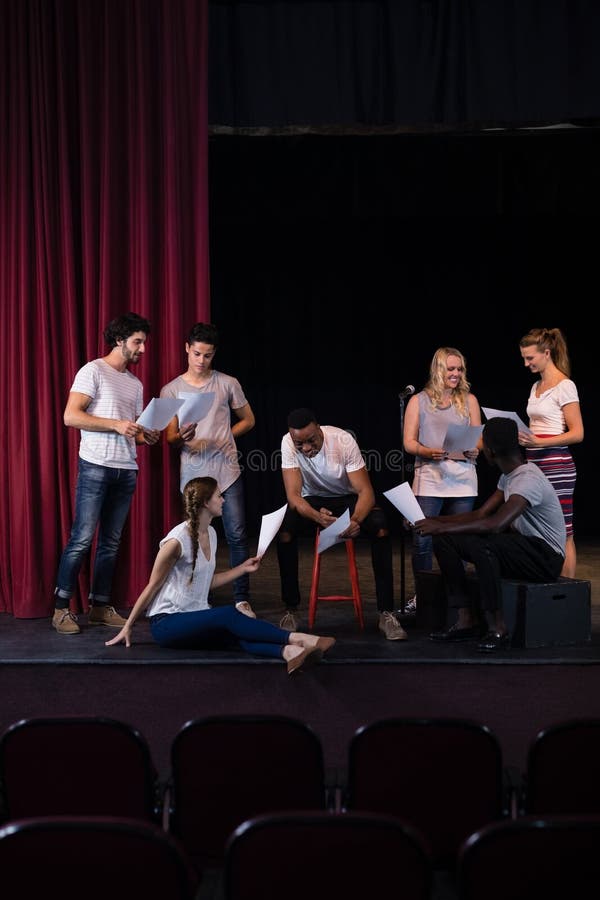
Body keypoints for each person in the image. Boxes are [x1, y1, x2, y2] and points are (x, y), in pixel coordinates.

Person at [105, 477, 336, 674]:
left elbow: (208, 582)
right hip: (166, 623)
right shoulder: (177, 541)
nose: (223, 499)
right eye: (219, 496)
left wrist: (243, 568)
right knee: (229, 614)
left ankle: (289, 653)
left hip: (194, 618)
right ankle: (299, 638)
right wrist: (129, 626)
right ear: (206, 503)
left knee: (234, 636)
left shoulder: (212, 533)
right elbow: (152, 586)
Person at [416, 417, 566, 653]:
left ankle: (498, 627)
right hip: (525, 548)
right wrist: (432, 522)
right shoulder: (509, 475)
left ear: (491, 450)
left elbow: (495, 524)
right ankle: (466, 619)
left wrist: (440, 526)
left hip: (545, 558)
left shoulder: (527, 479)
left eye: (482, 442)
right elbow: (481, 514)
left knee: (484, 544)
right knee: (444, 540)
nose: (480, 447)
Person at [52, 312, 160, 635]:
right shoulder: (93, 371)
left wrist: (146, 435)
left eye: (144, 343)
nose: (142, 349)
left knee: (110, 543)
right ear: (119, 340)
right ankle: (60, 609)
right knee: (81, 539)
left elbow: (135, 430)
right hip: (95, 466)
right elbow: (71, 417)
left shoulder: (135, 383)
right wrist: (115, 425)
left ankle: (100, 607)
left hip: (126, 469)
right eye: (138, 342)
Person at [276, 408, 405, 640]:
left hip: (346, 498)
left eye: (310, 441)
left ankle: (386, 613)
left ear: (318, 428)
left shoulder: (343, 440)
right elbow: (294, 496)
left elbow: (366, 491)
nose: (305, 448)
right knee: (284, 533)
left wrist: (355, 520)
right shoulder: (287, 443)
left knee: (381, 528)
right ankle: (290, 609)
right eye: (300, 443)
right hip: (313, 500)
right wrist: (316, 516)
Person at [160, 322, 255, 607]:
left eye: (208, 355)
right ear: (187, 349)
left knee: (236, 534)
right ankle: (200, 596)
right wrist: (183, 437)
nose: (202, 361)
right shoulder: (172, 389)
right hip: (193, 474)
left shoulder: (228, 383)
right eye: (197, 354)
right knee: (195, 536)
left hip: (226, 470)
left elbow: (248, 420)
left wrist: (226, 434)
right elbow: (170, 438)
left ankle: (241, 599)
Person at [403, 347, 481, 615]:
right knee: (422, 541)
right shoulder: (419, 401)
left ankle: (456, 599)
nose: (456, 374)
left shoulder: (469, 400)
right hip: (430, 478)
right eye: (451, 369)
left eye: (459, 369)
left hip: (463, 478)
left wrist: (476, 449)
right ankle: (422, 597)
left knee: (460, 541)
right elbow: (408, 442)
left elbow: (478, 438)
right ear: (438, 370)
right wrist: (426, 451)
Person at [518, 327, 584, 578]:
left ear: (547, 353)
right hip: (533, 463)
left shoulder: (564, 385)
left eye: (530, 358)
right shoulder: (536, 386)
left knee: (564, 530)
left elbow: (578, 433)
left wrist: (540, 443)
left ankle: (567, 593)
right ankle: (544, 583)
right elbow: (537, 427)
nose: (526, 363)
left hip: (556, 465)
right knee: (535, 527)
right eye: (524, 358)